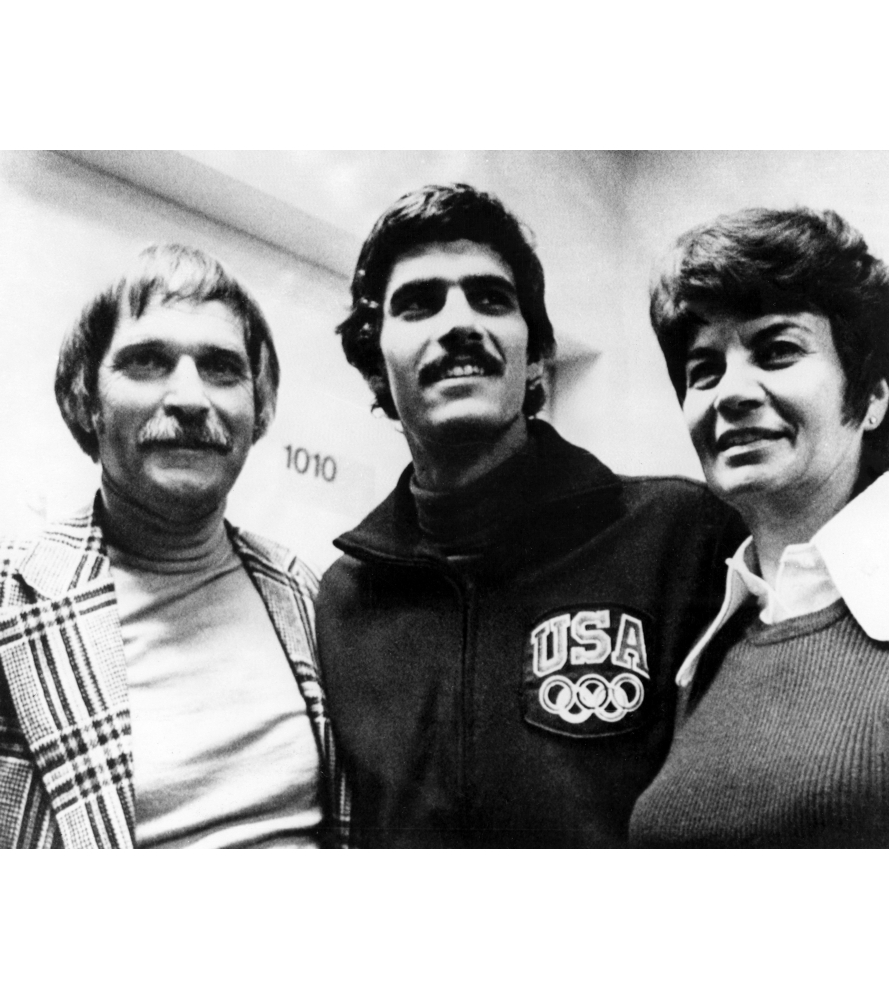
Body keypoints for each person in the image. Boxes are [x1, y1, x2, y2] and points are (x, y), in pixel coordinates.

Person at [317, 182, 740, 847]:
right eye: (419, 303)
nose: (459, 322)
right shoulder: (346, 599)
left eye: (491, 298)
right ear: (376, 364)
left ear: (535, 353)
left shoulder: (681, 534)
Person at [630, 206, 889, 848]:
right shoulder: (705, 653)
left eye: (778, 350)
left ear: (873, 395)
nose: (729, 394)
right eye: (703, 370)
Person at [0, 244, 348, 848]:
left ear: (259, 409)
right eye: (147, 362)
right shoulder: (1, 595)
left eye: (221, 368)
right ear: (85, 400)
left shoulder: (305, 591)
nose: (188, 398)